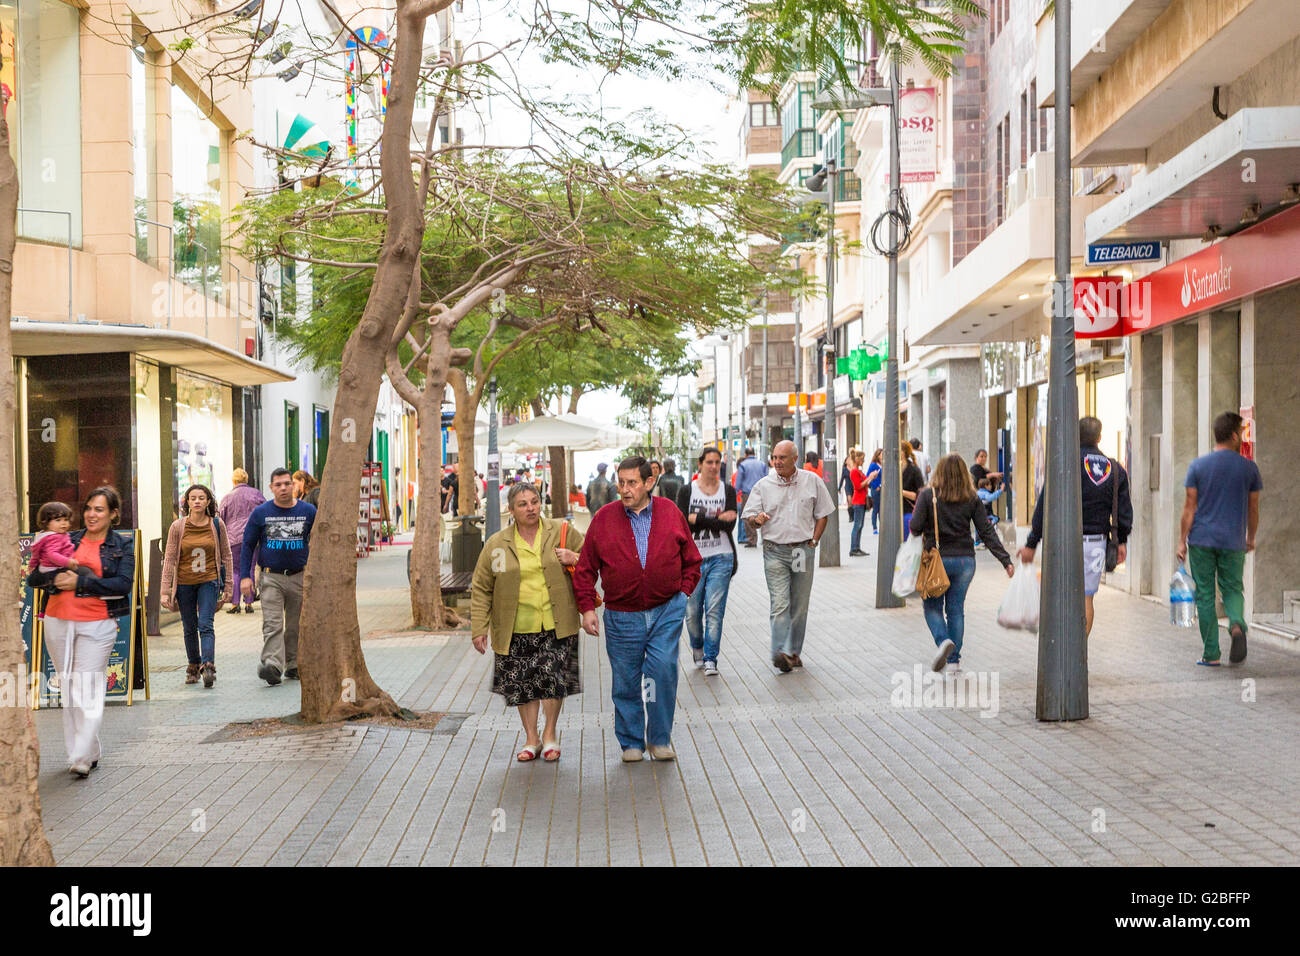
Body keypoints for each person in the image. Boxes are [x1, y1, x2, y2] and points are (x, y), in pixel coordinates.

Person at [575, 456, 701, 762]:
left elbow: (692, 560)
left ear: (649, 483)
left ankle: (659, 739)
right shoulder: (604, 518)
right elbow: (585, 568)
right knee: (626, 680)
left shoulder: (670, 512)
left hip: (665, 610)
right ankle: (631, 742)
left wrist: (683, 594)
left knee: (661, 674)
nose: (624, 489)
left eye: (632, 483)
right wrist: (587, 607)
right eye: (621, 482)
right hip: (622, 615)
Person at [471, 482, 585, 761]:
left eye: (534, 501)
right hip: (515, 625)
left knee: (553, 680)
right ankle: (531, 738)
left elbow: (593, 561)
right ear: (511, 510)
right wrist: (478, 628)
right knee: (523, 684)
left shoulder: (562, 532)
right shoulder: (497, 544)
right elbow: (482, 587)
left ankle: (549, 734)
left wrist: (574, 558)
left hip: (556, 621)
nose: (530, 508)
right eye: (522, 504)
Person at [28, 487, 135, 778]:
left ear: (113, 514)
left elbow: (123, 585)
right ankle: (90, 748)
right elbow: (34, 577)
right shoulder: (65, 538)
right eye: (88, 508)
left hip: (98, 624)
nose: (91, 514)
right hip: (57, 620)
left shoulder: (122, 545)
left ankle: (80, 756)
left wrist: (81, 583)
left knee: (86, 687)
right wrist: (55, 576)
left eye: (99, 509)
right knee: (71, 688)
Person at [1019, 416, 1133, 637]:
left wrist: (1032, 542)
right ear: (1099, 437)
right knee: (1086, 598)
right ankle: (1079, 654)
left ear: (1075, 435)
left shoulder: (1065, 463)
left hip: (1064, 541)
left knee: (1061, 597)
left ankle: (1062, 651)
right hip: (1096, 543)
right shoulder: (1115, 469)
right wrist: (1123, 541)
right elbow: (1124, 510)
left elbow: (1045, 504)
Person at [911, 455, 1015, 672]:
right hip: (965, 562)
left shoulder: (928, 495)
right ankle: (954, 661)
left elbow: (915, 527)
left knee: (932, 606)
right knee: (956, 609)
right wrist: (1005, 560)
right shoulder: (972, 498)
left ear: (939, 472)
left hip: (937, 561)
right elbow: (985, 531)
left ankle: (943, 641)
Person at [742, 440, 835, 673]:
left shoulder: (811, 481)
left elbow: (823, 513)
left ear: (795, 458)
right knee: (780, 603)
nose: (777, 462)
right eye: (774, 457)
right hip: (774, 551)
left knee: (800, 604)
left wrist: (814, 540)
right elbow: (749, 517)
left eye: (782, 458)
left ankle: (793, 653)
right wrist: (757, 520)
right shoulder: (763, 485)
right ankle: (779, 651)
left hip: (801, 550)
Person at [1178, 411, 1262, 666]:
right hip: (1233, 541)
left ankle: (1211, 654)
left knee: (1205, 595)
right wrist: (1251, 536)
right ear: (1234, 435)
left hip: (1201, 540)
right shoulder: (1249, 468)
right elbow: (1253, 508)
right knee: (1233, 588)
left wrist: (1182, 541)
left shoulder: (1198, 466)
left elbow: (1189, 508)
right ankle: (1236, 624)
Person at [240, 468, 316, 685]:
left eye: (287, 483)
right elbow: (248, 545)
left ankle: (293, 664)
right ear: (271, 488)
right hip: (270, 577)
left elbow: (319, 540)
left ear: (293, 485)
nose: (283, 488)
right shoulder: (261, 513)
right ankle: (272, 665)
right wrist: (245, 576)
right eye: (278, 485)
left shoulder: (308, 511)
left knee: (295, 625)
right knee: (273, 624)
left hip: (299, 576)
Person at [160, 484, 235, 688]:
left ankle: (208, 665)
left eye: (201, 498)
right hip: (184, 583)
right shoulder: (178, 527)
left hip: (208, 581)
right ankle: (193, 664)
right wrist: (165, 591)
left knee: (205, 623)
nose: (197, 501)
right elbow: (169, 559)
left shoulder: (217, 525)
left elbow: (226, 556)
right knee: (189, 626)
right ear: (187, 502)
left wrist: (228, 586)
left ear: (208, 501)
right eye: (193, 498)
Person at [675, 447, 737, 676]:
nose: (713, 466)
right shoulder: (687, 491)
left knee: (714, 610)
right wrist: (715, 518)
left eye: (717, 462)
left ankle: (711, 658)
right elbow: (682, 523)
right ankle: (698, 646)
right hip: (693, 559)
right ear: (700, 464)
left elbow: (729, 525)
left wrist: (697, 519)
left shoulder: (728, 490)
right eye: (709, 462)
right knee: (691, 612)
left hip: (722, 556)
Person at [218, 468, 265, 614]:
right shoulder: (256, 494)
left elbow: (221, 518)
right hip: (252, 537)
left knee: (235, 570)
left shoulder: (227, 497)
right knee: (250, 568)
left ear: (233, 481)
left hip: (233, 539)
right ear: (246, 479)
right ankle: (249, 602)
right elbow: (265, 512)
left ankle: (234, 604)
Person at [29, 502, 79, 577]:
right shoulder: (53, 537)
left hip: (55, 566)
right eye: (58, 520)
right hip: (54, 568)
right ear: (45, 522)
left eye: (66, 520)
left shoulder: (48, 535)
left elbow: (35, 554)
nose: (63, 523)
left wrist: (32, 564)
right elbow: (52, 555)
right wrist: (67, 562)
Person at [734, 446, 768, 548]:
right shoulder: (762, 464)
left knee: (748, 516)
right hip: (762, 493)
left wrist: (735, 493)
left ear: (745, 455)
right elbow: (767, 478)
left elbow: (738, 482)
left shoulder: (743, 465)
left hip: (747, 494)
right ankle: (765, 538)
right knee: (764, 515)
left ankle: (752, 540)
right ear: (754, 453)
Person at [847, 449, 869, 556]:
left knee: (860, 525)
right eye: (862, 459)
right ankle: (854, 548)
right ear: (857, 459)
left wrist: (870, 478)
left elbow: (864, 482)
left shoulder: (858, 471)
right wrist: (870, 477)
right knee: (857, 525)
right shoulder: (854, 471)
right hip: (858, 501)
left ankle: (857, 547)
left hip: (862, 501)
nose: (863, 461)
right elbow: (858, 486)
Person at [901, 441, 925, 540]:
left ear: (904, 453)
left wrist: (900, 492)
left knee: (907, 544)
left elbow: (919, 495)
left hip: (908, 512)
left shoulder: (914, 470)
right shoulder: (892, 469)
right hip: (893, 514)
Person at [866, 448, 884, 534]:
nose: (883, 455)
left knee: (882, 509)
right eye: (881, 454)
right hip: (876, 490)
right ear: (877, 456)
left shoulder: (884, 464)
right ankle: (874, 528)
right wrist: (875, 486)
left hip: (883, 490)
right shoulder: (873, 465)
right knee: (876, 508)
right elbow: (868, 477)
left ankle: (882, 526)